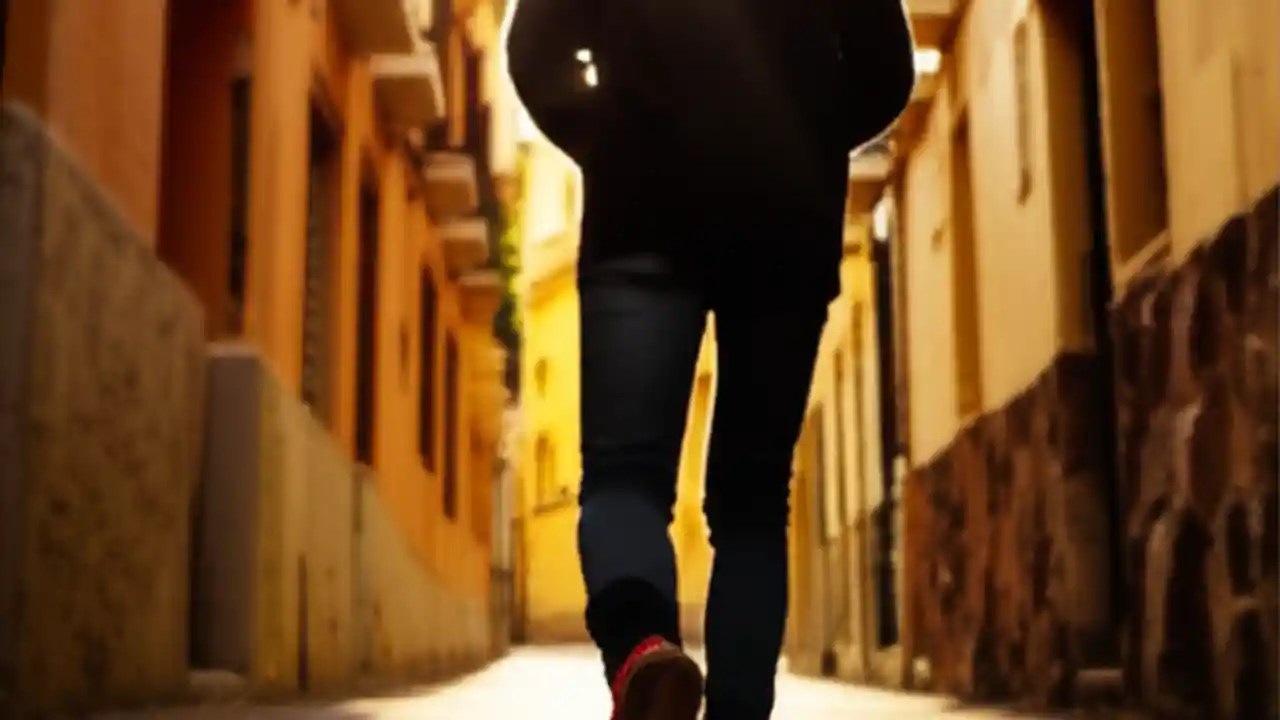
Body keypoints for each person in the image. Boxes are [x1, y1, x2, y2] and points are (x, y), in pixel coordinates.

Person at [505, 1, 915, 718]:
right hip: (786, 227)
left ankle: (643, 649)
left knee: (625, 480)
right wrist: (803, 138)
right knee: (753, 504)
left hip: (640, 214)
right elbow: (886, 71)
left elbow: (535, 47)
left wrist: (608, 139)